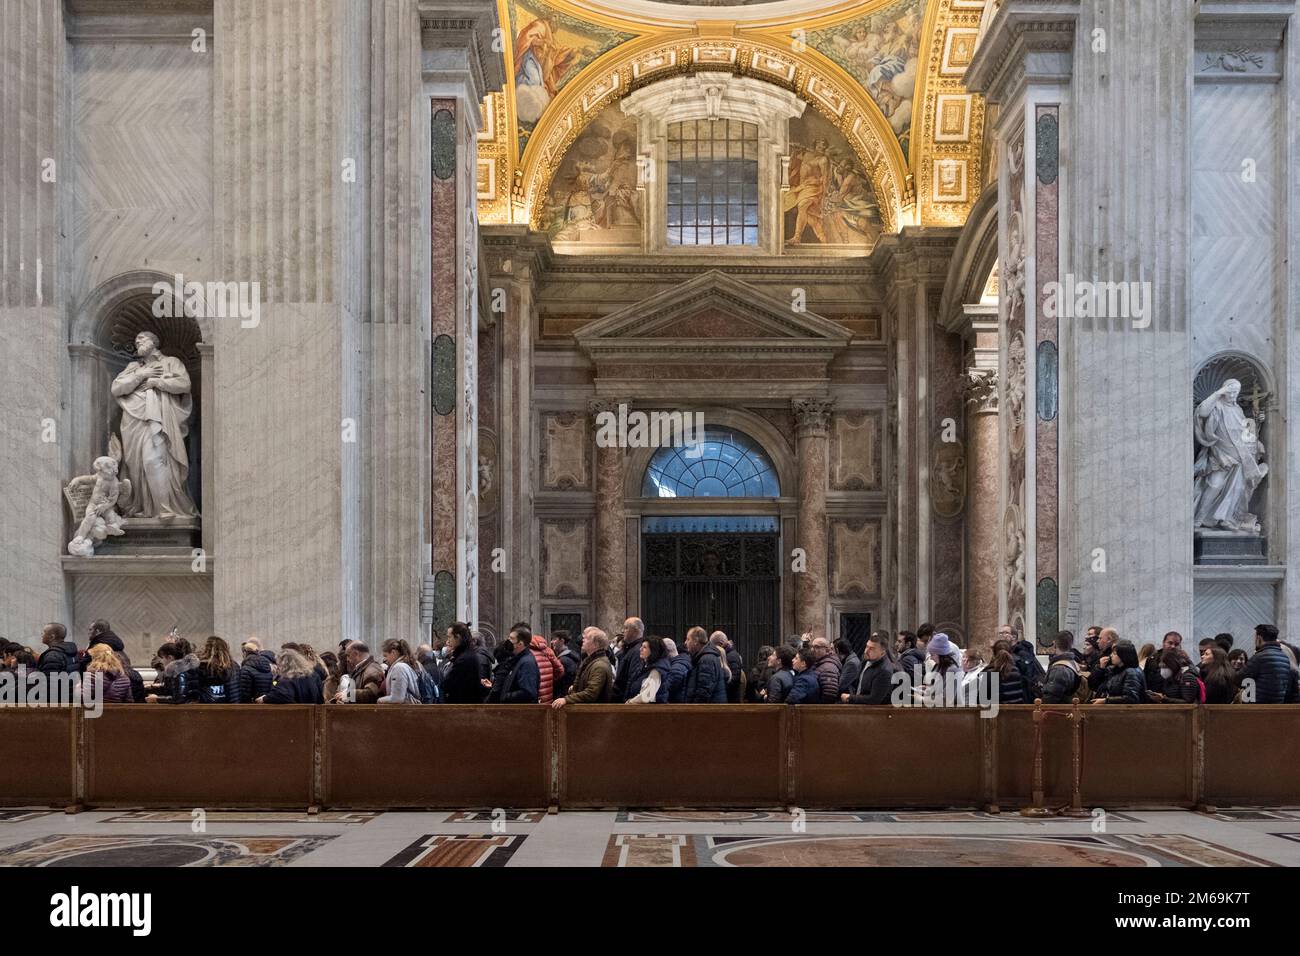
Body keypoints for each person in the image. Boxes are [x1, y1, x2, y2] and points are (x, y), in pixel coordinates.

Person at [552, 627, 615, 707]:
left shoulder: (599, 665)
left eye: (587, 639)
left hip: (593, 713)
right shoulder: (592, 661)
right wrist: (577, 687)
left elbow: (591, 693)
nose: (583, 640)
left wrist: (566, 699)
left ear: (595, 644)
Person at [1240, 624, 1299, 704]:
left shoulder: (1260, 656)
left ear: (1259, 638)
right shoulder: (1284, 658)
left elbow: (1240, 679)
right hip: (1277, 707)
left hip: (1257, 707)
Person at [487, 625, 540, 704]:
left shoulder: (527, 663)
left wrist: (504, 696)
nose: (508, 640)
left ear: (520, 644)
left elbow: (528, 693)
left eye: (511, 638)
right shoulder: (517, 658)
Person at [841, 632, 898, 705]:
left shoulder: (884, 670)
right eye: (867, 646)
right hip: (858, 706)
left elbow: (874, 699)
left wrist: (850, 698)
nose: (866, 651)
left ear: (882, 653)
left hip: (873, 712)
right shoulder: (867, 660)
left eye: (872, 649)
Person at [443, 622, 490, 704]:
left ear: (458, 637)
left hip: (463, 707)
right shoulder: (465, 655)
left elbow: (448, 684)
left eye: (449, 637)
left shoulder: (464, 659)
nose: (447, 641)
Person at [1092, 640, 1147, 704]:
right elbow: (1094, 685)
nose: (1111, 655)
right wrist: (1100, 669)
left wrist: (1106, 701)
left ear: (1123, 655)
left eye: (1114, 653)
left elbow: (1131, 698)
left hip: (1127, 712)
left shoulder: (1132, 672)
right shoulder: (1114, 670)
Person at [1041, 631, 1089, 703]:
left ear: (1054, 644)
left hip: (1060, 711)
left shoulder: (1059, 669)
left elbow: (1051, 698)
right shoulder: (1073, 662)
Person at [191, 636, 241, 703]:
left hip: (204, 708)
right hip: (229, 707)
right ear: (225, 649)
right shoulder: (234, 666)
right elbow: (235, 692)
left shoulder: (199, 666)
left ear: (206, 649)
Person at [683, 626, 727, 704]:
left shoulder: (706, 660)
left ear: (696, 641)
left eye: (688, 639)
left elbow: (704, 691)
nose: (685, 642)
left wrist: (693, 710)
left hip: (709, 712)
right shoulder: (704, 657)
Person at [626, 636, 670, 704]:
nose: (640, 649)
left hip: (652, 711)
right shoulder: (646, 666)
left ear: (653, 650)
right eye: (641, 646)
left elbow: (647, 696)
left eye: (644, 647)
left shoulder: (657, 670)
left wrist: (630, 702)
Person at [377, 639, 422, 704]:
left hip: (406, 711)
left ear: (393, 652)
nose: (385, 659)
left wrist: (380, 700)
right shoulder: (404, 665)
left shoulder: (399, 668)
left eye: (385, 655)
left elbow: (397, 698)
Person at [613, 617, 647, 703]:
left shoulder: (638, 650)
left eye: (626, 628)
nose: (622, 631)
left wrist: (625, 702)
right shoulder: (630, 648)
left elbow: (632, 680)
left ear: (636, 630)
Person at [529, 630, 567, 706]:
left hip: (534, 698)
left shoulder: (527, 652)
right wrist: (550, 679)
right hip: (548, 695)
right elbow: (560, 670)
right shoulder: (548, 650)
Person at [712, 631, 745, 703]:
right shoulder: (730, 654)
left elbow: (734, 681)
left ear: (720, 644)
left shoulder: (731, 656)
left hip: (730, 700)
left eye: (713, 646)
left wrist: (719, 688)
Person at [809, 637, 842, 703]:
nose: (812, 650)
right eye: (812, 646)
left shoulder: (829, 668)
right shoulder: (819, 663)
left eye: (817, 647)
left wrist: (817, 708)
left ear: (827, 650)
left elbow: (830, 694)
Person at [1087, 627, 1119, 692]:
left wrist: (1100, 668)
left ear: (1109, 639)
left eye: (1100, 638)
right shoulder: (1102, 654)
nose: (1097, 641)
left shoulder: (1113, 658)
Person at [550, 630, 579, 698]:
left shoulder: (564, 660)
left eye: (554, 639)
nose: (551, 642)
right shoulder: (570, 656)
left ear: (562, 641)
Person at [661, 638, 691, 703]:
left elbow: (666, 688)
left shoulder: (677, 668)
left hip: (677, 706)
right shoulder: (681, 662)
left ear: (666, 652)